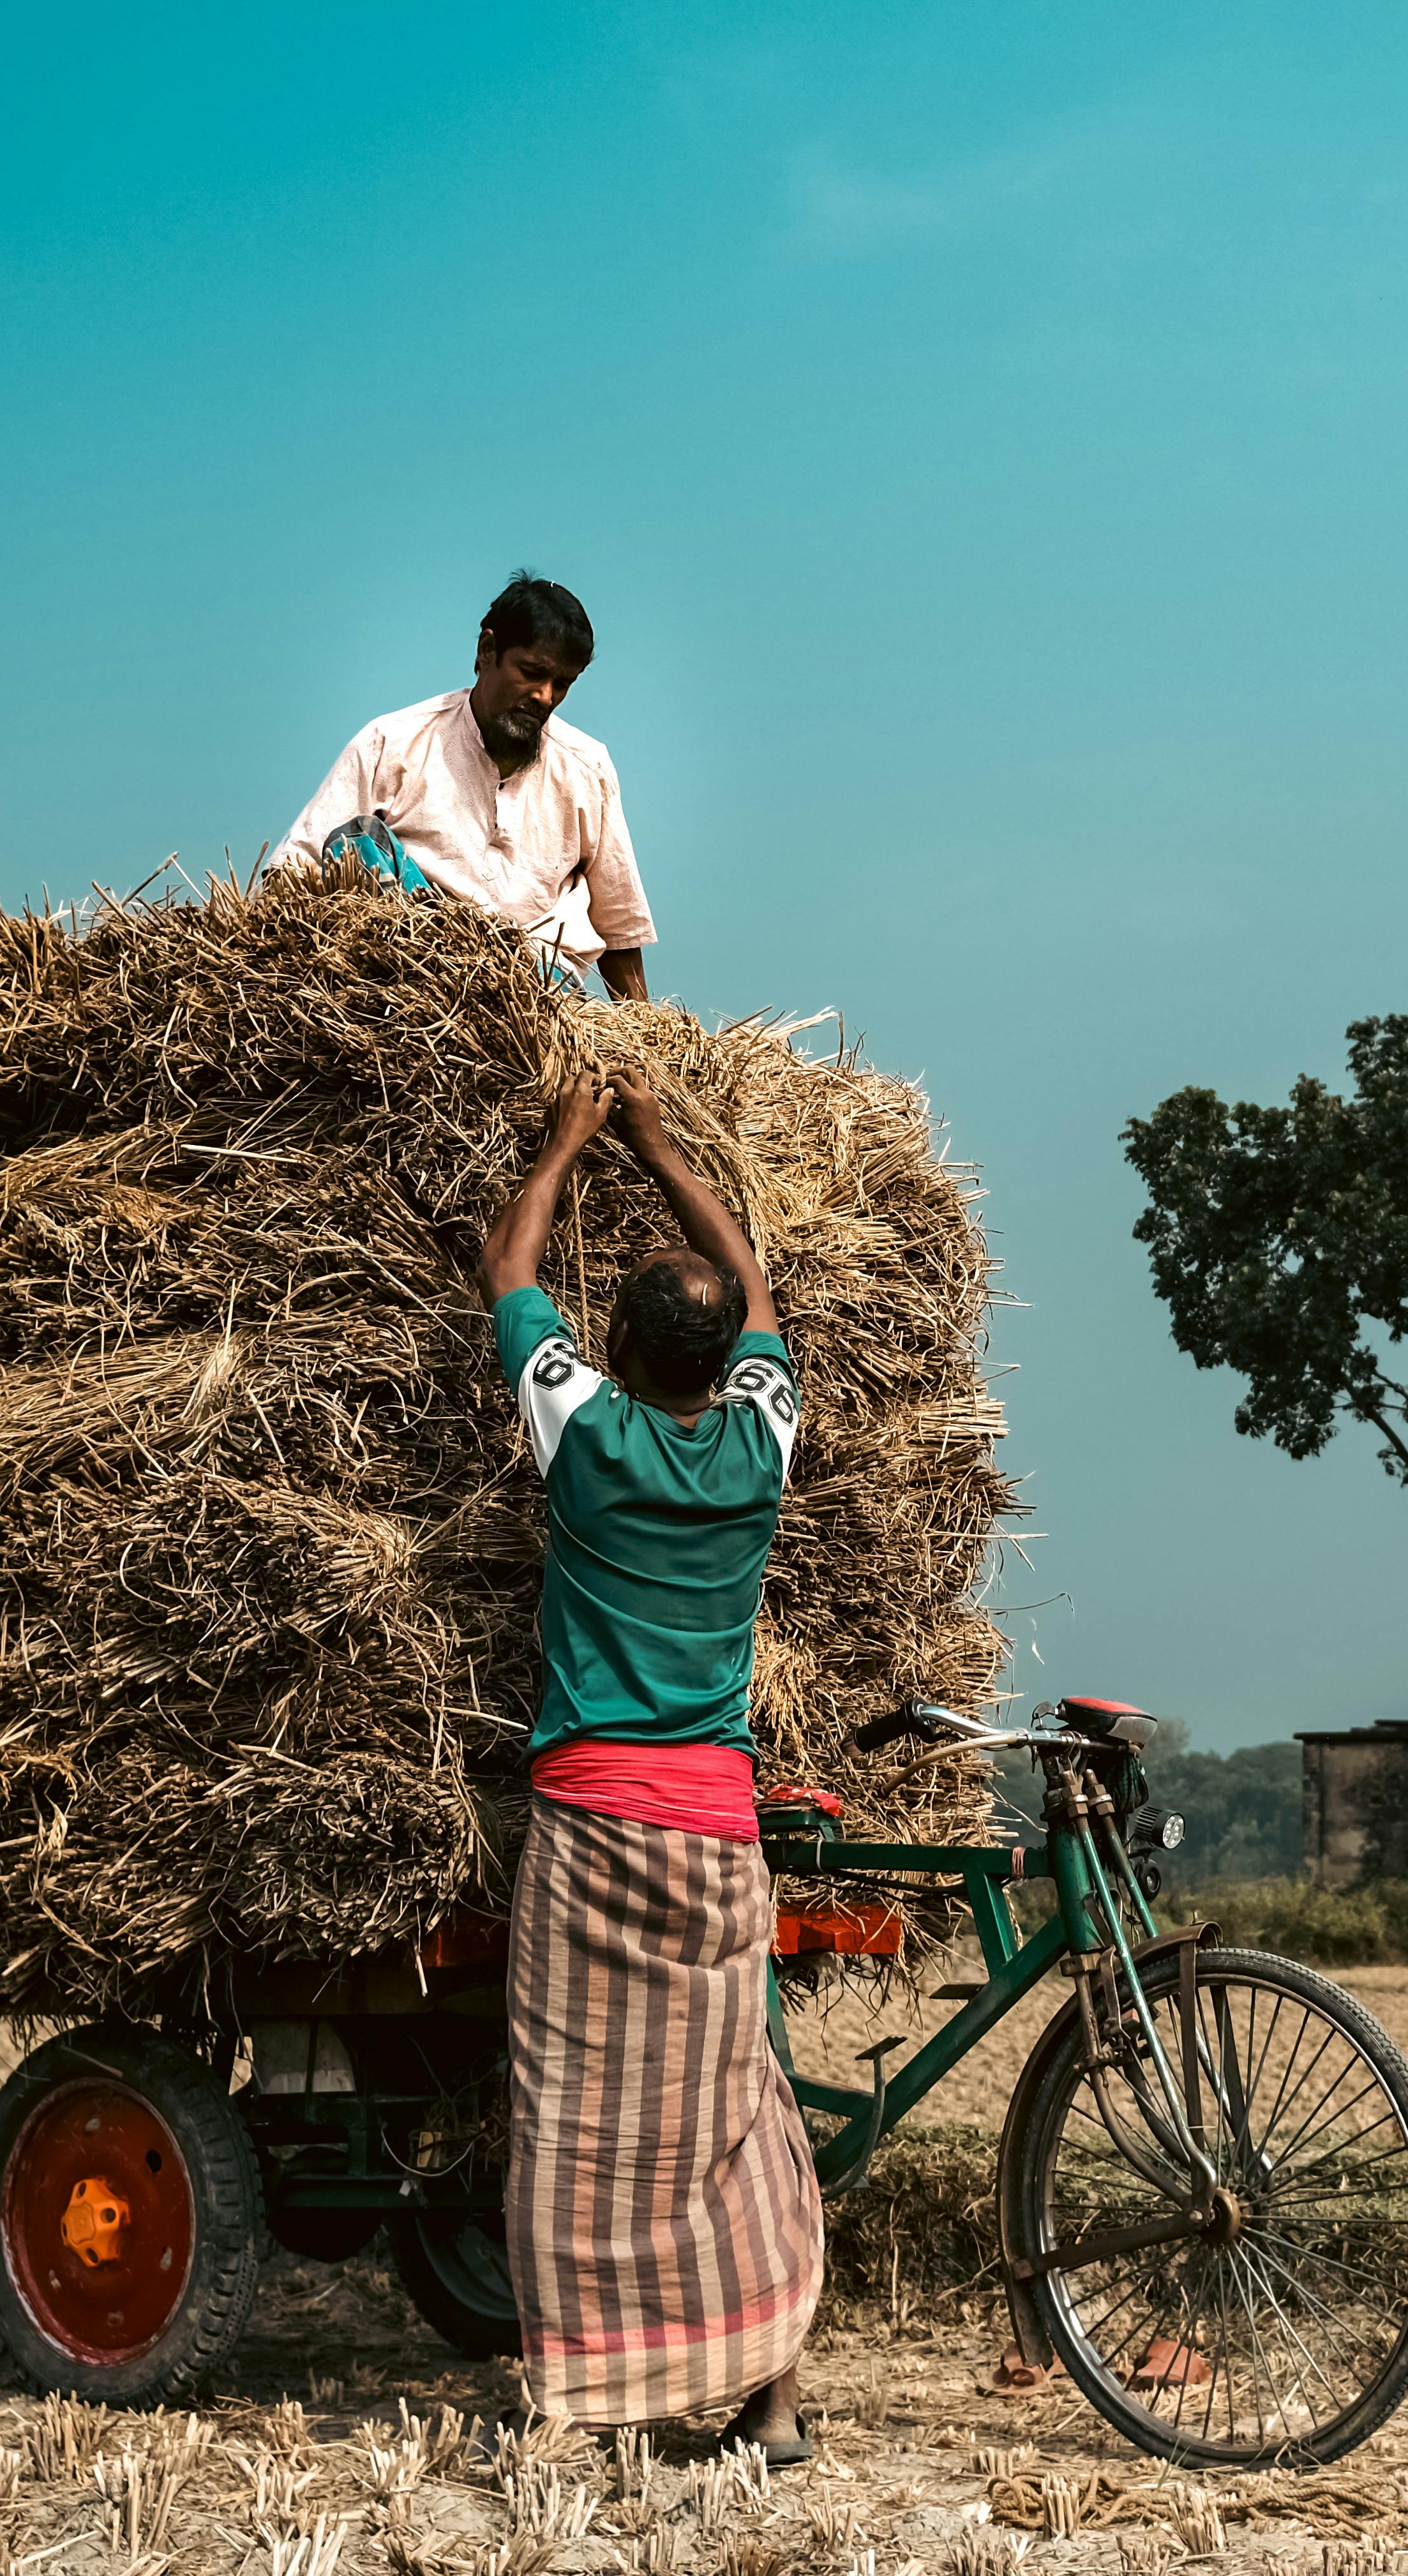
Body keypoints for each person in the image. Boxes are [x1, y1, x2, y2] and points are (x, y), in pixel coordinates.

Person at [478, 1063, 815, 2460]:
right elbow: (760, 1291)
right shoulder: (760, 1443)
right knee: (736, 2109)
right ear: (720, 1358)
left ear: (610, 1348)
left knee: (571, 2112)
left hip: (593, 1823)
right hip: (715, 1828)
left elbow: (506, 1264)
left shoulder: (588, 1434)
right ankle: (775, 2396)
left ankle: (583, 2402)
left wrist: (566, 1143)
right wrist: (666, 1147)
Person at [269, 574, 659, 1002]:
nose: (545, 696)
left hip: (540, 989)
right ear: (487, 650)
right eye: (532, 673)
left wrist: (643, 1048)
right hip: (415, 965)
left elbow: (620, 928)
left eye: (562, 684)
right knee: (358, 839)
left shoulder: (589, 768)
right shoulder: (392, 742)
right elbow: (293, 871)